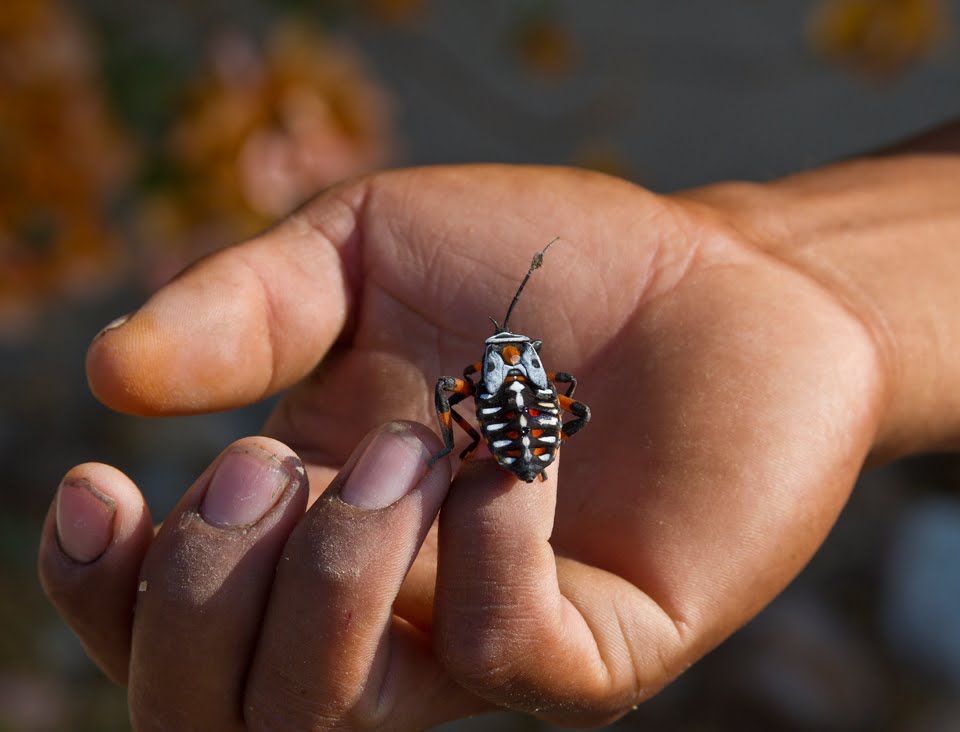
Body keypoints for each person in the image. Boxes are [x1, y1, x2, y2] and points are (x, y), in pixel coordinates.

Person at [37, 121, 960, 730]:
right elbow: (522, 400)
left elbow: (469, 403)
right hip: (522, 438)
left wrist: (834, 296)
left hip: (510, 439)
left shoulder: (490, 377)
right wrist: (824, 287)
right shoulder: (525, 378)